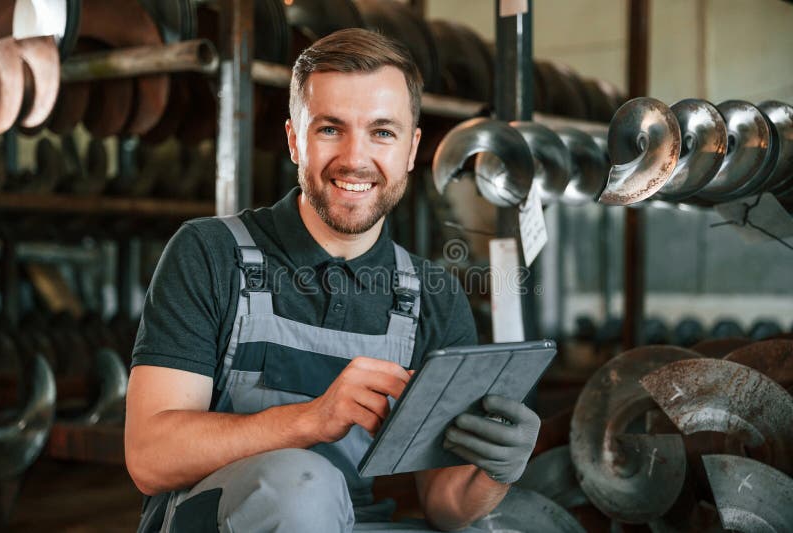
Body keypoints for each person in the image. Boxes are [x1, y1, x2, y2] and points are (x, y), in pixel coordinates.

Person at [125, 28, 540, 533]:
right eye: (330, 129)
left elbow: (444, 504)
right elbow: (151, 457)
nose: (355, 158)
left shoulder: (432, 298)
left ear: (411, 151)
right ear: (294, 140)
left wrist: (498, 468)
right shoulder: (210, 254)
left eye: (382, 132)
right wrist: (311, 419)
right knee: (301, 486)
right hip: (214, 521)